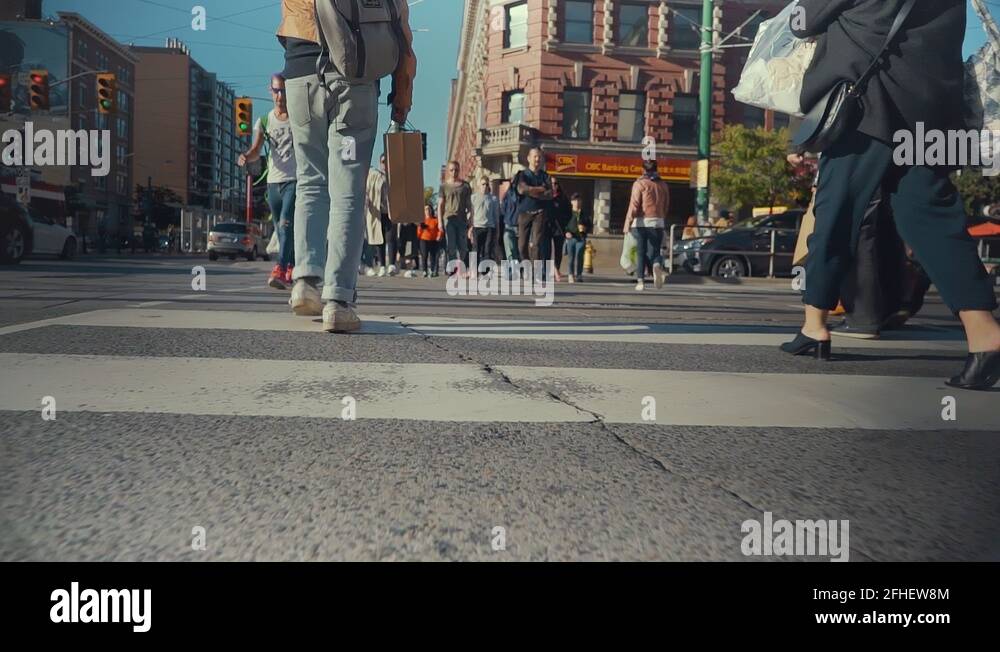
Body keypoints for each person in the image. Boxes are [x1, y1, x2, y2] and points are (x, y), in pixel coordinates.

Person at [783, 0, 1000, 390]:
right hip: (932, 109)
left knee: (836, 211)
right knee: (932, 220)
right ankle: (984, 334)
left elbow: (801, 21)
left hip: (869, 107)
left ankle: (814, 326)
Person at [278, 0, 416, 333]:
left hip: (301, 79)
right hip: (355, 82)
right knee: (349, 191)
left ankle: (305, 282)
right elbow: (401, 36)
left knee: (310, 181)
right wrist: (402, 102)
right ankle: (338, 301)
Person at [239, 73, 297, 290]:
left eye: (283, 90)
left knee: (285, 223)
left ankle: (280, 268)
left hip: (294, 180)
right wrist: (246, 156)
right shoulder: (264, 121)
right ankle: (290, 265)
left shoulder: (297, 119)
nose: (280, 96)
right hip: (273, 182)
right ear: (270, 91)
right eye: (276, 90)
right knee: (281, 229)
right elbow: (256, 150)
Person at [623, 159, 670, 290]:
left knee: (641, 251)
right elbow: (666, 205)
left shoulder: (640, 184)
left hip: (641, 222)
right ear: (656, 169)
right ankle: (656, 266)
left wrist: (628, 222)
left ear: (643, 169)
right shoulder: (663, 185)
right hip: (657, 222)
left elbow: (634, 204)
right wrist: (661, 217)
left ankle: (640, 282)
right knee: (655, 250)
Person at [515, 147, 554, 266]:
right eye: (535, 156)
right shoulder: (522, 174)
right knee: (522, 245)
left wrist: (530, 191)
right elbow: (522, 189)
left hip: (540, 212)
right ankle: (527, 265)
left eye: (539, 157)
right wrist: (539, 190)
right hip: (524, 212)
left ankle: (534, 272)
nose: (537, 159)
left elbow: (549, 194)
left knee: (537, 243)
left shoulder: (545, 176)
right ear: (528, 158)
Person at [437, 160, 472, 276]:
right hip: (449, 218)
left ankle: (461, 267)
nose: (454, 172)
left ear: (459, 170)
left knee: (463, 246)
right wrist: (440, 222)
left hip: (462, 219)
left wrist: (470, 221)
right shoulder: (444, 186)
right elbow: (440, 205)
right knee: (451, 246)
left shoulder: (465, 186)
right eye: (451, 170)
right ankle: (452, 269)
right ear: (448, 171)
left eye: (456, 170)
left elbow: (469, 205)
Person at [365, 153, 397, 277]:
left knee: (391, 238)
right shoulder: (374, 175)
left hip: (392, 212)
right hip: (377, 212)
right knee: (379, 239)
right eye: (383, 162)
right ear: (380, 163)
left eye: (387, 161)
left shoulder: (395, 176)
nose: (385, 164)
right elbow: (367, 190)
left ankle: (392, 265)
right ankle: (382, 265)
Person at [470, 177, 499, 271]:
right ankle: (474, 270)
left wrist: (497, 230)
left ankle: (485, 271)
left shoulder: (493, 199)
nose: (485, 186)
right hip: (477, 227)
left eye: (487, 184)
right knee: (476, 250)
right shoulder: (473, 198)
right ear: (479, 185)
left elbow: (496, 216)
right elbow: (470, 214)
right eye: (483, 184)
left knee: (487, 250)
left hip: (489, 227)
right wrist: (470, 228)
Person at [563, 192, 591, 283]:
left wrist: (585, 228)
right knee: (571, 257)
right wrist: (566, 232)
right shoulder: (568, 212)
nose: (577, 202)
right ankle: (570, 274)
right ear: (571, 202)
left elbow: (590, 224)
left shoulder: (584, 213)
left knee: (580, 255)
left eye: (578, 200)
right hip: (571, 237)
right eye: (575, 200)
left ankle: (579, 274)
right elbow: (563, 224)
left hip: (581, 238)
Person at [548, 178, 571, 282]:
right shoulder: (545, 197)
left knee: (558, 251)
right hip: (547, 228)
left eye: (555, 184)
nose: (554, 186)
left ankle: (557, 268)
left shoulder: (563, 199)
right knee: (548, 250)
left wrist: (565, 226)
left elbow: (569, 214)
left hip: (559, 229)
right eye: (551, 184)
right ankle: (553, 270)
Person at [417, 203, 443, 277]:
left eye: (428, 209)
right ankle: (424, 270)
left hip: (433, 240)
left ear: (431, 210)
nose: (427, 211)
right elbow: (418, 232)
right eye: (425, 209)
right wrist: (420, 227)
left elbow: (440, 229)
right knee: (424, 255)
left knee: (433, 256)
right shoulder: (422, 220)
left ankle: (432, 270)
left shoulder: (435, 220)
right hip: (423, 240)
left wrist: (439, 236)